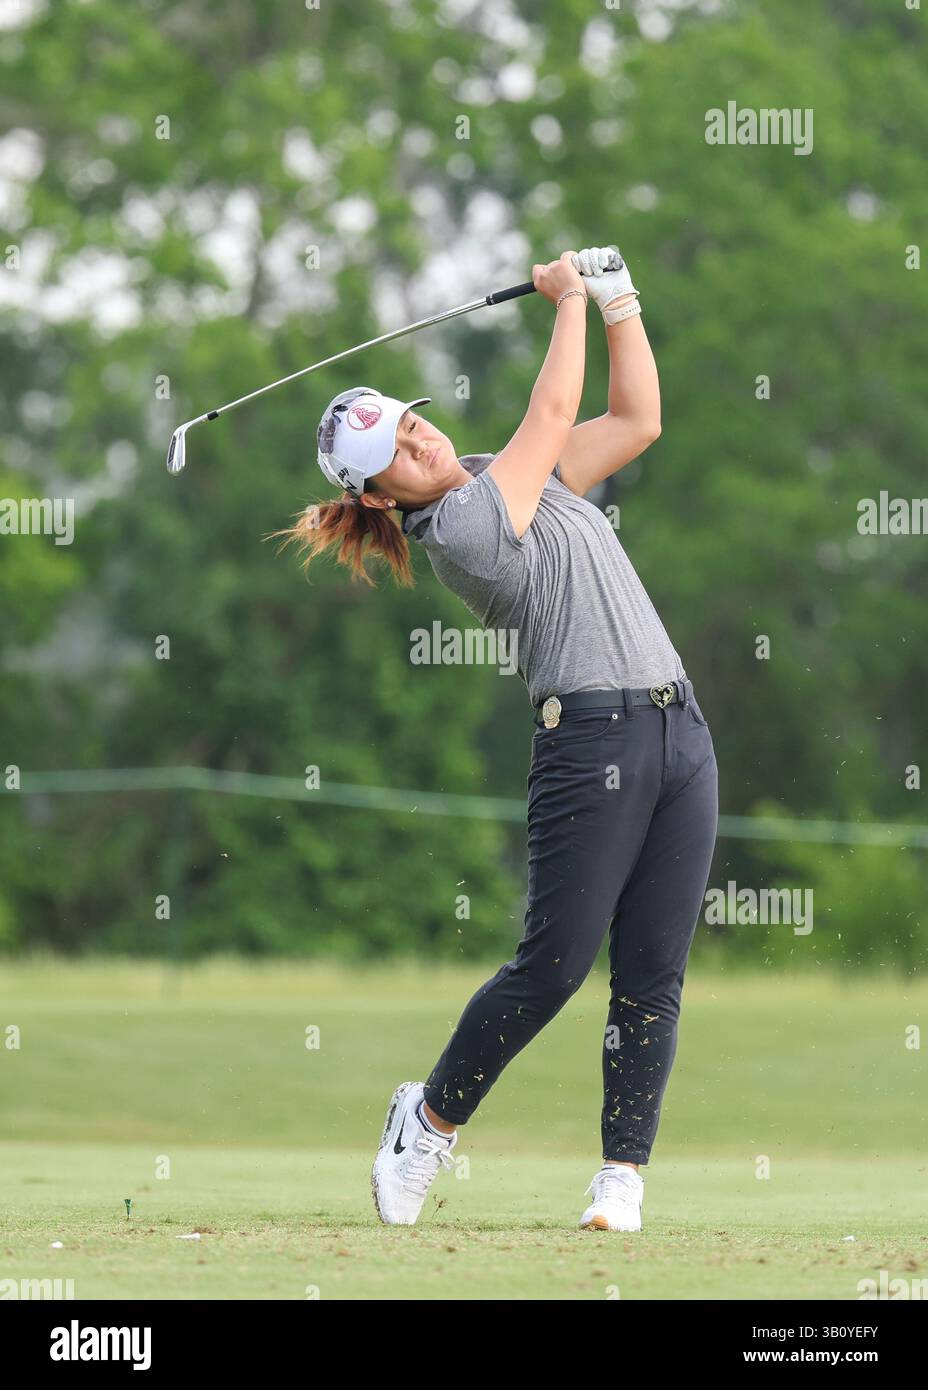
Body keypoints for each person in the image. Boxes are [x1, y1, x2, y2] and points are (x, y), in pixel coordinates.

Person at [277, 245, 718, 1232]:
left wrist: (617, 297)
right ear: (378, 498)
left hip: (678, 732)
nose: (419, 440)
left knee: (652, 972)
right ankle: (426, 1123)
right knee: (554, 966)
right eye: (394, 449)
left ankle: (620, 1181)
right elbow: (552, 414)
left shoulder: (508, 478)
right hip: (589, 741)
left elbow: (639, 417)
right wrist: (566, 300)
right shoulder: (464, 529)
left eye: (410, 419)